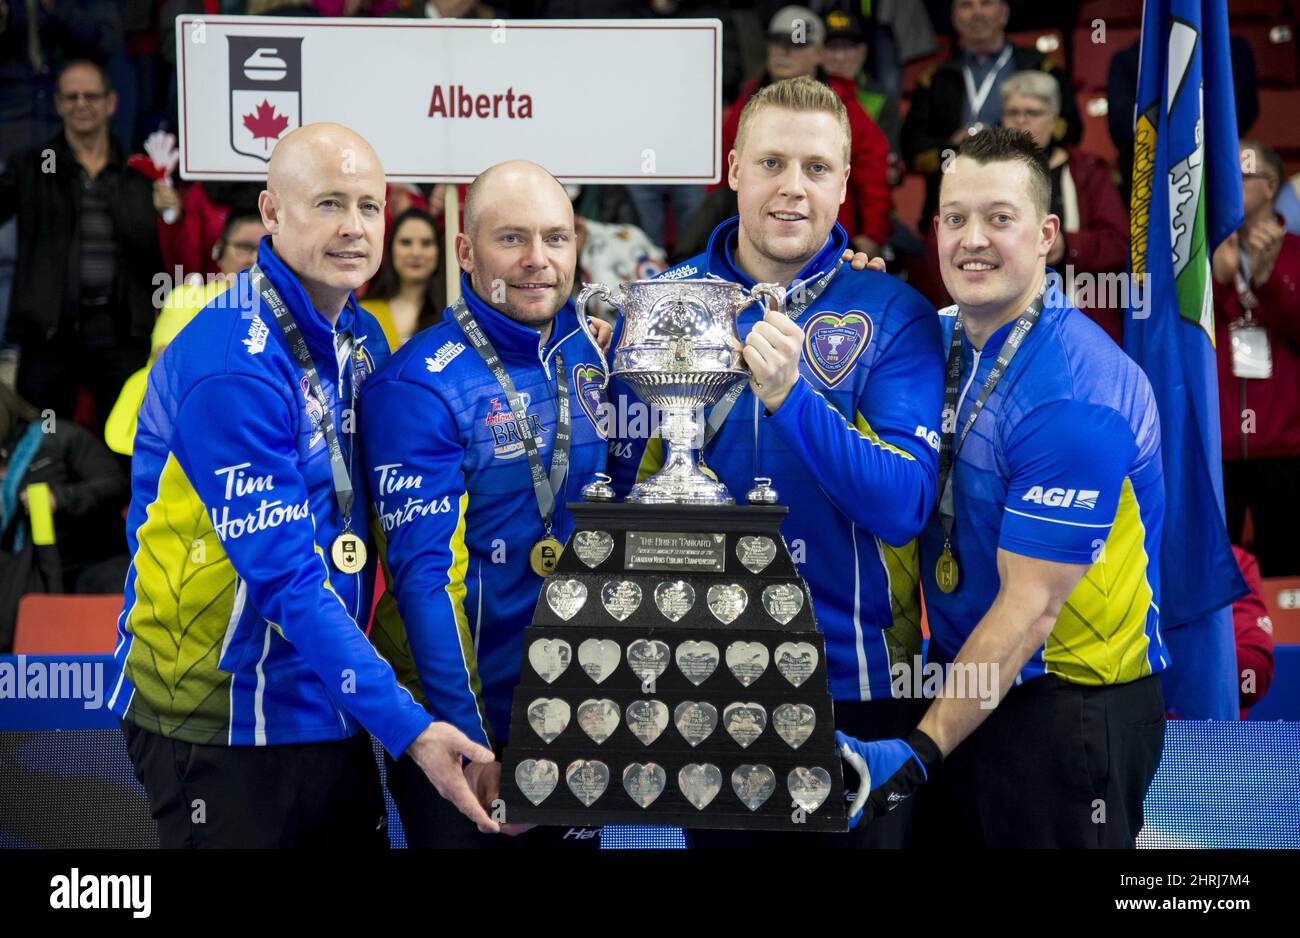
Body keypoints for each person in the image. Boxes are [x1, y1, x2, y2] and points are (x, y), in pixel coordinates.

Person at [108, 122, 497, 848]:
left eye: (370, 206)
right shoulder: (231, 362)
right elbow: (286, 584)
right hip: (216, 720)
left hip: (329, 700)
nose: (355, 228)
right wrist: (412, 729)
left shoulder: (362, 337)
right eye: (328, 204)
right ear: (272, 213)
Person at [609, 75, 945, 848]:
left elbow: (901, 505)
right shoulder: (661, 304)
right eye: (771, 163)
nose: (793, 189)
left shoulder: (894, 313)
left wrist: (792, 397)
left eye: (817, 169)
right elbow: (618, 500)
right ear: (733, 169)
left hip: (854, 692)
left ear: (844, 182)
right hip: (705, 683)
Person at [838, 127, 1166, 849]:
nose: (971, 239)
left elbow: (1030, 611)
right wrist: (851, 288)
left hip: (1069, 708)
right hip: (961, 689)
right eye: (954, 218)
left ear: (1047, 233)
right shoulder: (935, 337)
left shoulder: (1079, 393)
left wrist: (920, 751)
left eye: (998, 217)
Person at [358, 160, 610, 848]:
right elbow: (425, 583)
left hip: (578, 727)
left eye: (556, 239)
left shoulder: (589, 356)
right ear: (465, 251)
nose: (538, 261)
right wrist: (478, 748)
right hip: (469, 739)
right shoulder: (417, 387)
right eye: (512, 239)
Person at [0, 59, 182, 431]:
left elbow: (164, 252)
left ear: (111, 102)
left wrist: (171, 215)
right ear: (58, 104)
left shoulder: (141, 172)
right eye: (72, 96)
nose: (81, 103)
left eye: (91, 95)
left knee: (128, 441)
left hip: (121, 334)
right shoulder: (31, 167)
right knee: (41, 441)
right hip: (49, 334)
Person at [716, 6, 892, 258]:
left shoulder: (844, 105)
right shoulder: (747, 100)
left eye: (796, 44)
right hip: (750, 240)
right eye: (776, 43)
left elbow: (873, 177)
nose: (783, 53)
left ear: (819, 52)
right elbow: (723, 173)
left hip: (831, 246)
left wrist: (872, 236)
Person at [900, 0, 1080, 229]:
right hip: (952, 198)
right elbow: (911, 146)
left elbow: (1072, 130)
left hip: (1026, 196)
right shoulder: (936, 77)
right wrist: (954, 145)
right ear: (954, 18)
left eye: (986, 3)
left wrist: (1007, 140)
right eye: (966, 6)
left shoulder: (1040, 66)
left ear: (1004, 14)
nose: (977, 13)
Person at [104, 212, 269, 456]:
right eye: (244, 247)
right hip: (180, 425)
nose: (254, 257)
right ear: (219, 251)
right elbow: (168, 358)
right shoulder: (187, 296)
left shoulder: (289, 308)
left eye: (265, 248)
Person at [1212, 140, 1300, 578]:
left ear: (1270, 186)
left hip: (1284, 444)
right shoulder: (1204, 257)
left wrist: (1267, 282)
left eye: (1240, 176)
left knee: (1284, 564)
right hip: (1220, 443)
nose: (1227, 183)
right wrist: (1222, 282)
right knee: (1218, 568)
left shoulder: (1297, 252)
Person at [999, 70, 1128, 343]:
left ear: (1055, 121)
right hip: (1004, 317)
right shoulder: (986, 173)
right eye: (1013, 112)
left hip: (1078, 314)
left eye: (1033, 113)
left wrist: (1066, 246)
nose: (1021, 121)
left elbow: (1119, 243)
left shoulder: (1087, 172)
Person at [0, 382, 129, 648]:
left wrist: (59, 498)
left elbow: (116, 484)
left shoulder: (58, 437)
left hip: (87, 560)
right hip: (25, 572)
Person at [359, 207, 446, 350]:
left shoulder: (454, 312)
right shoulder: (363, 313)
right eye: (406, 242)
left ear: (439, 251)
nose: (416, 252)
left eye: (426, 243)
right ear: (390, 249)